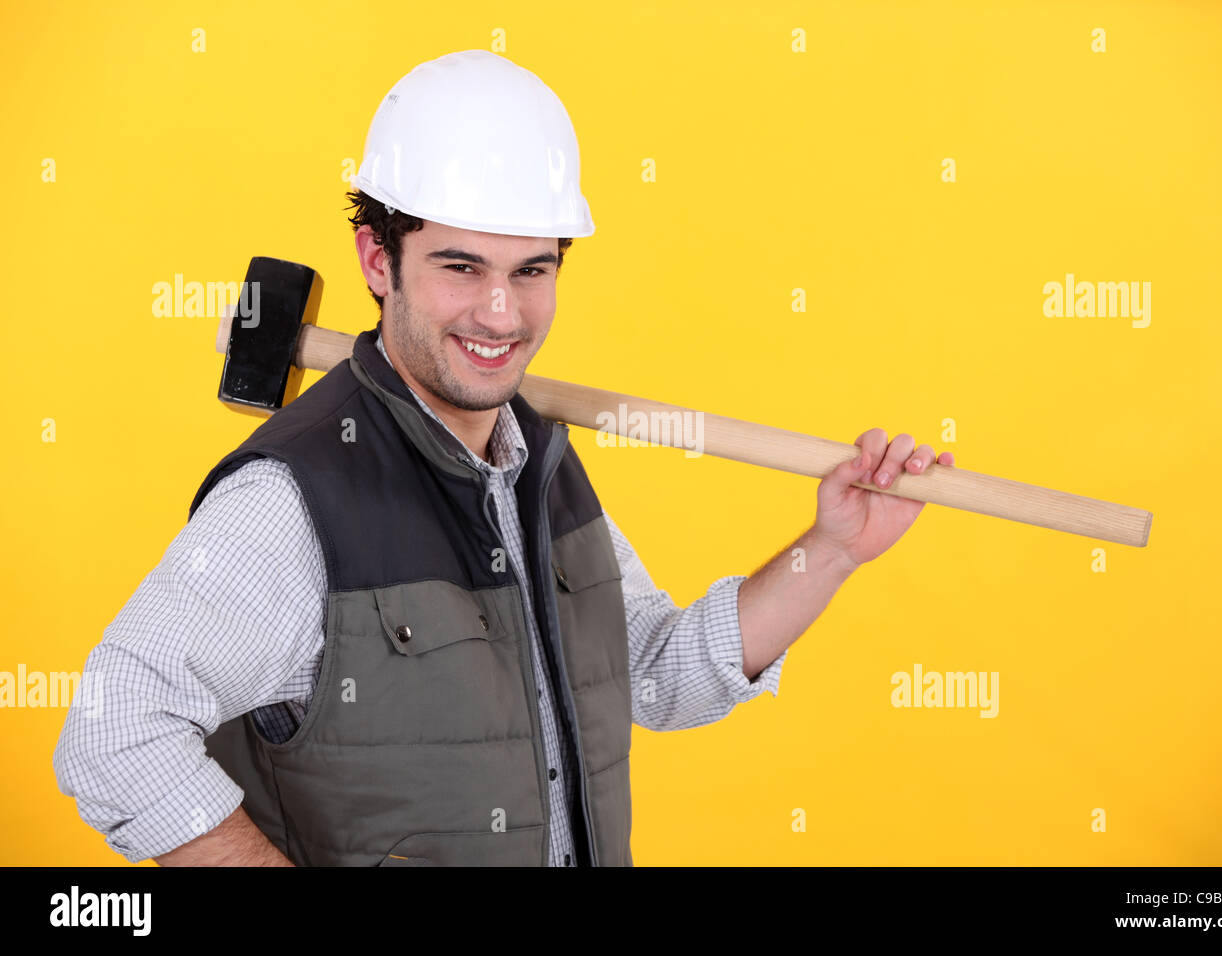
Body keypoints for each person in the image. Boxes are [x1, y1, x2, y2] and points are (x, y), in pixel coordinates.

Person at [53, 49, 953, 867]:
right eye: (459, 267)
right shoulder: (296, 498)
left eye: (531, 270)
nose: (500, 314)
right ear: (377, 260)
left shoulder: (541, 473)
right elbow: (112, 730)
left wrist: (830, 547)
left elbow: (659, 675)